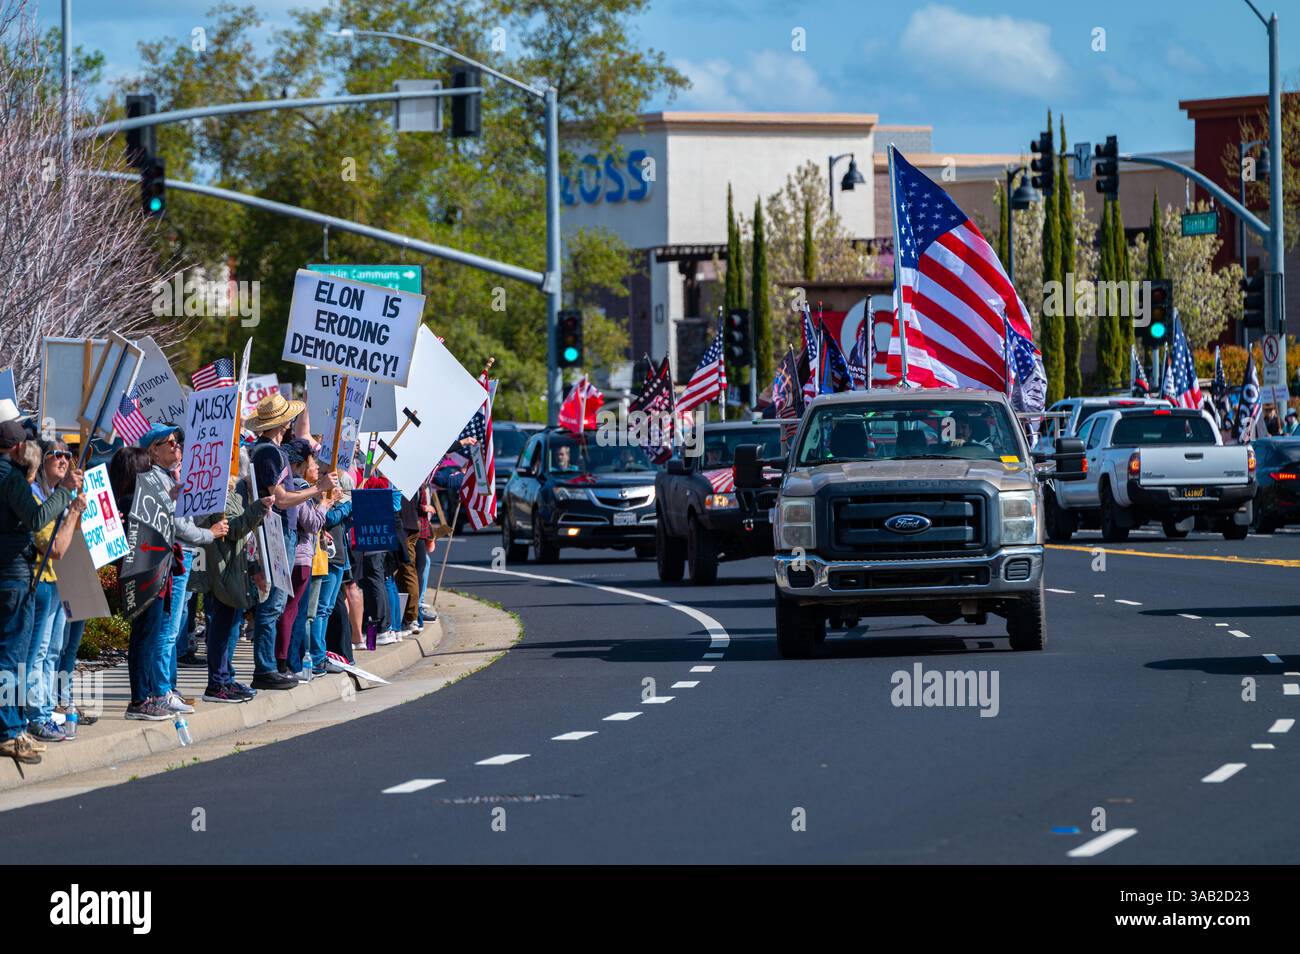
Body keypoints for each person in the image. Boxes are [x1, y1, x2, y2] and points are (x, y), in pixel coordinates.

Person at [0, 420, 81, 763]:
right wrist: (64, 492)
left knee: (17, 656)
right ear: (18, 448)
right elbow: (35, 520)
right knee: (14, 658)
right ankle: (11, 730)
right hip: (15, 576)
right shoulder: (8, 475)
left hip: (13, 575)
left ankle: (14, 726)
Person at [247, 393, 336, 690]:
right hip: (275, 531)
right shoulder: (269, 453)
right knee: (273, 603)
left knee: (278, 602)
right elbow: (282, 499)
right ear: (284, 422)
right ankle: (266, 667)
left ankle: (271, 666)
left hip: (279, 531)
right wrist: (317, 490)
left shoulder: (270, 451)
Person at [140, 422, 229, 715]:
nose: (177, 446)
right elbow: (178, 526)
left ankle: (167, 688)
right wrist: (210, 534)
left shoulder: (167, 477)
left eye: (177, 441)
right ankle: (161, 691)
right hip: (173, 557)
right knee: (168, 629)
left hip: (182, 556)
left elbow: (187, 516)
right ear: (153, 450)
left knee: (174, 627)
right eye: (170, 442)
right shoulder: (154, 478)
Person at [189, 463, 272, 703]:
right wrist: (258, 508)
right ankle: (217, 683)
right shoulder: (215, 498)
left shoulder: (230, 496)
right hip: (222, 572)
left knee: (229, 627)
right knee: (221, 629)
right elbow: (233, 530)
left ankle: (224, 678)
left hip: (233, 569)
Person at [24, 441, 88, 743]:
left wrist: (76, 511)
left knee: (53, 651)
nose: (64, 460)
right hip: (40, 580)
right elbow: (56, 548)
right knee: (37, 652)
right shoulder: (36, 495)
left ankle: (46, 709)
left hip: (58, 581)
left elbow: (71, 539)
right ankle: (35, 715)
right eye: (56, 455)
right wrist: (72, 507)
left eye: (67, 456)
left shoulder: (55, 495)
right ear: (42, 461)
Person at [280, 438, 331, 675]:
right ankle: (291, 662)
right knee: (295, 613)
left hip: (296, 555)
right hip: (299, 557)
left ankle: (289, 661)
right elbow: (310, 523)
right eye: (313, 463)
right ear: (301, 464)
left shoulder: (295, 486)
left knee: (293, 611)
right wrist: (326, 504)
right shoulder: (299, 487)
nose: (317, 468)